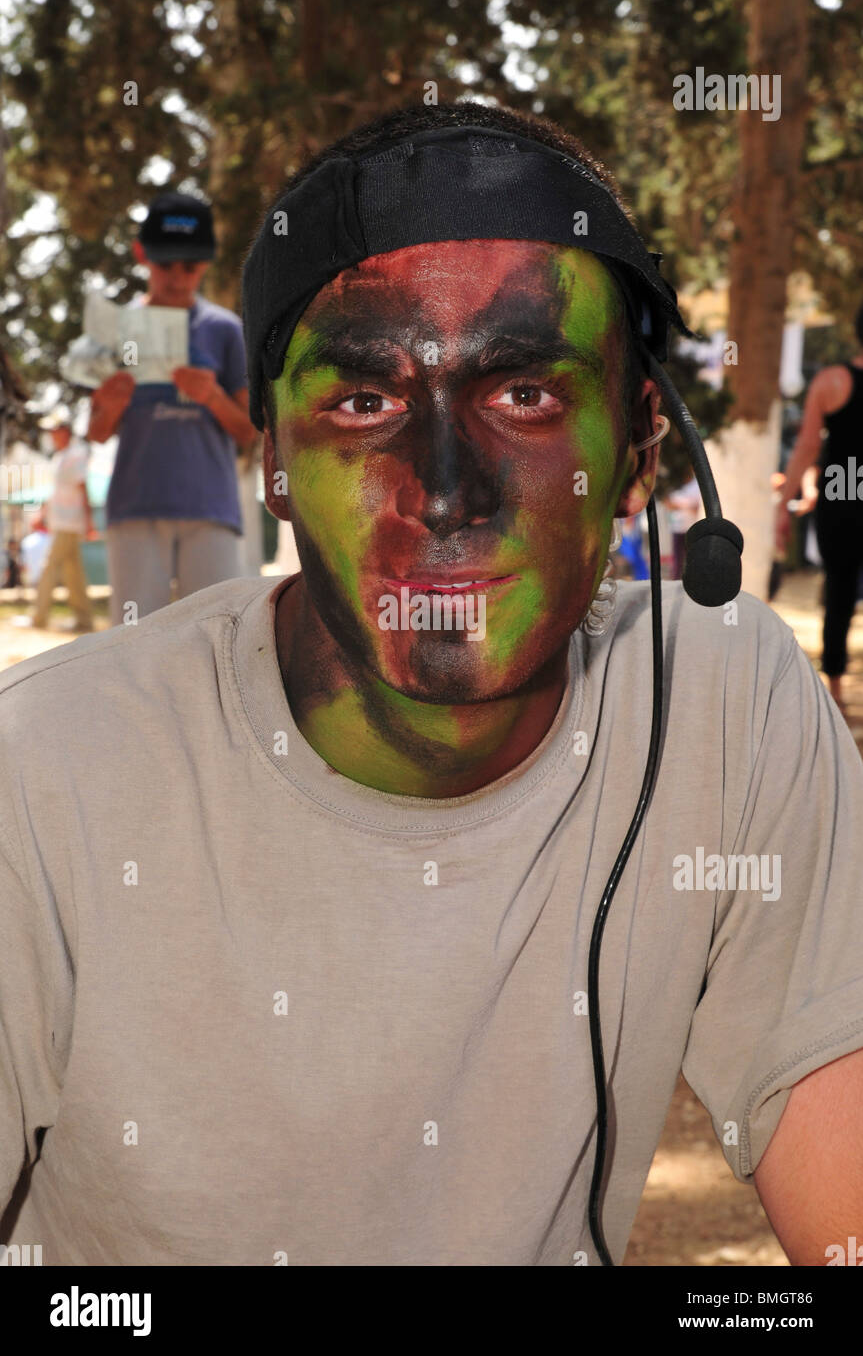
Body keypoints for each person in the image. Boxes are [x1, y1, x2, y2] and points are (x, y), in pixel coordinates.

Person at [2, 102, 863, 1269]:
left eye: (524, 395)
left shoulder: (723, 703)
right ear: (275, 466)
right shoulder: (47, 771)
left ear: (640, 447)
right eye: (362, 401)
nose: (444, 490)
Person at [87, 191, 258, 625]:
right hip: (135, 508)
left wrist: (212, 397)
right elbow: (97, 432)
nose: (178, 277)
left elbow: (249, 431)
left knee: (213, 639)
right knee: (132, 640)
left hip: (210, 509)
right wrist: (108, 406)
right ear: (141, 254)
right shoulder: (117, 328)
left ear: (208, 261)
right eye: (166, 264)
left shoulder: (225, 330)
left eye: (191, 265)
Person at [775, 303, 863, 709]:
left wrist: (784, 501)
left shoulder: (832, 380)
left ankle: (836, 692)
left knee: (839, 590)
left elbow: (808, 445)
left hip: (842, 495)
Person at [28, 416, 95, 632]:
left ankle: (39, 617)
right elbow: (56, 492)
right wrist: (43, 513)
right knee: (73, 574)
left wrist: (89, 521)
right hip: (61, 522)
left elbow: (84, 488)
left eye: (54, 430)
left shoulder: (76, 454)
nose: (51, 435)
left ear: (65, 431)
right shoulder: (60, 456)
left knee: (49, 567)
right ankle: (84, 620)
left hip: (70, 522)